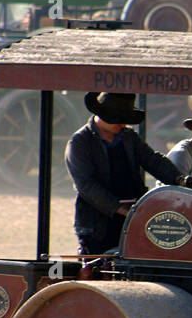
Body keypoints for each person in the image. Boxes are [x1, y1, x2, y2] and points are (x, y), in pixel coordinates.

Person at [65, 92, 184, 255]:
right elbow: (87, 187)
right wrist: (120, 209)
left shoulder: (129, 137)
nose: (122, 124)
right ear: (102, 115)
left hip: (131, 220)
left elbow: (153, 161)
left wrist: (179, 179)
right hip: (97, 226)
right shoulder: (79, 142)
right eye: (118, 119)